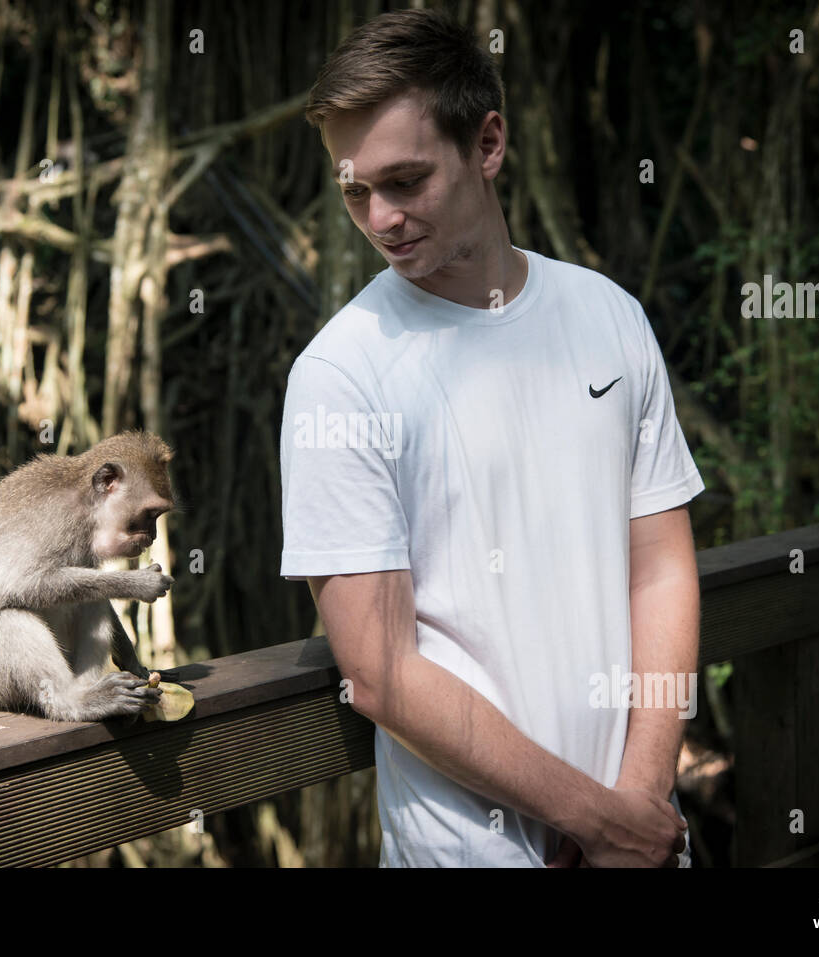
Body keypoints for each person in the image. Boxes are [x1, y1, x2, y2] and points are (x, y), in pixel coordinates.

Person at [279, 7, 703, 867]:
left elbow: (660, 566)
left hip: (640, 833)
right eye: (356, 190)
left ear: (489, 144)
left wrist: (642, 796)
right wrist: (595, 816)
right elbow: (379, 666)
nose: (382, 218)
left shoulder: (608, 315)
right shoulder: (340, 375)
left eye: (406, 180)